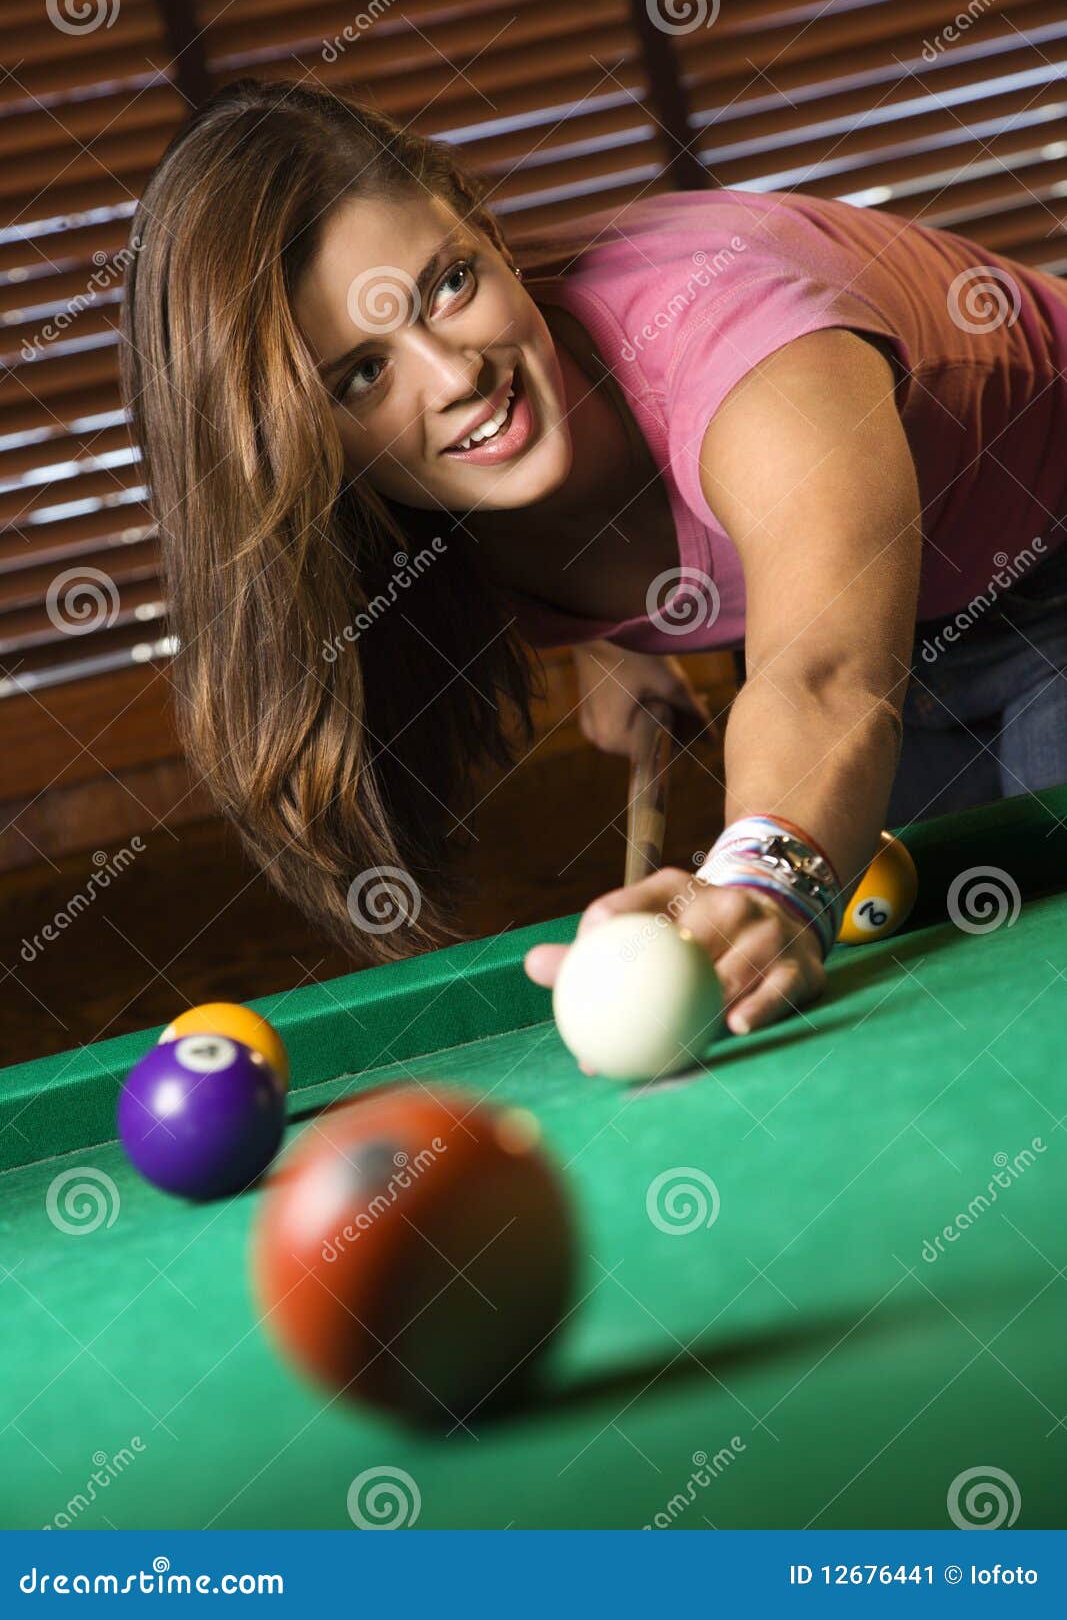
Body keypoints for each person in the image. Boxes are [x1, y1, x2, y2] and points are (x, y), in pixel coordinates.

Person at [121, 78, 1067, 1037]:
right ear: (296, 448)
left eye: (450, 284)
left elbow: (823, 675)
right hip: (906, 645)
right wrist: (617, 638)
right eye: (363, 373)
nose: (455, 376)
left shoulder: (746, 347)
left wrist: (762, 882)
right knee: (939, 1015)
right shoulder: (393, 525)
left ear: (486, 230)